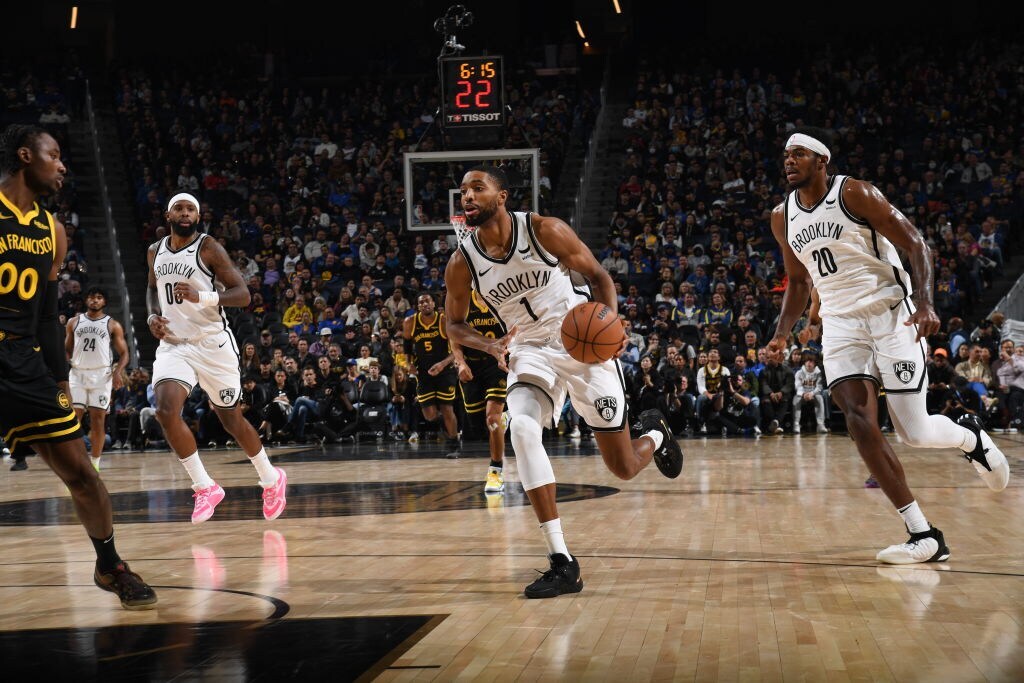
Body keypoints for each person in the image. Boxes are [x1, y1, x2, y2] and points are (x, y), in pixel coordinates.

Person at [767, 129, 1008, 565]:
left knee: (914, 432)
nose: (788, 161)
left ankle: (969, 436)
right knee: (858, 418)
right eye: (785, 155)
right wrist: (783, 331)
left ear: (822, 161)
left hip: (890, 313)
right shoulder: (782, 216)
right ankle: (924, 535)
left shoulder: (854, 193)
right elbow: (799, 281)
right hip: (840, 324)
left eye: (798, 154)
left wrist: (927, 302)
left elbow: (915, 243)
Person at [444, 166, 683, 599]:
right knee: (520, 427)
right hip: (528, 349)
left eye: (478, 188)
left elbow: (599, 278)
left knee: (623, 467)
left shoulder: (544, 230)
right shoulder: (462, 262)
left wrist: (611, 321)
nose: (467, 196)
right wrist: (492, 345)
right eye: (462, 191)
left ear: (502, 196)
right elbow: (454, 325)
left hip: (579, 339)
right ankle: (561, 560)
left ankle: (654, 433)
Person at [0, 123, 156, 608]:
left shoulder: (54, 231)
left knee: (82, 472)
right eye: (55, 154)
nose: (63, 165)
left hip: (23, 362)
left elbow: (48, 314)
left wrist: (58, 379)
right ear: (26, 156)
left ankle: (110, 567)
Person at [147, 192, 287, 525]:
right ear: (168, 215)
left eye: (190, 209)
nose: (185, 213)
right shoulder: (155, 251)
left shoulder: (208, 247)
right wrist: (153, 316)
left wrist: (203, 296)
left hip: (213, 345)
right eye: (179, 208)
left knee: (231, 420)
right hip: (174, 345)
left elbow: (243, 295)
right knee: (165, 410)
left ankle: (270, 478)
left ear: (198, 215)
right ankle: (204, 486)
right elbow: (152, 288)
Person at [450, 289, 508, 493]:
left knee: (492, 419)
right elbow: (454, 337)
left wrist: (509, 351)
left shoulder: (502, 297)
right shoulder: (464, 301)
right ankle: (503, 420)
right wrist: (460, 363)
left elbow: (516, 330)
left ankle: (495, 472)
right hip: (472, 367)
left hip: (497, 365)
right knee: (477, 425)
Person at [65, 286, 129, 470]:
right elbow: (67, 350)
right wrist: (66, 367)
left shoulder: (112, 324)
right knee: (72, 419)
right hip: (77, 373)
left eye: (99, 297)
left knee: (98, 421)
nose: (95, 300)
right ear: (86, 300)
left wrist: (117, 372)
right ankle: (74, 462)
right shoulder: (73, 322)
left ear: (105, 302)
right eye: (92, 297)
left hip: (102, 375)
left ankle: (95, 464)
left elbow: (124, 353)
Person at [403, 292, 460, 456]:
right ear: (417, 306)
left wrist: (442, 364)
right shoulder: (410, 322)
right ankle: (447, 427)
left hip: (445, 370)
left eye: (428, 301)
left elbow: (457, 349)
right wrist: (408, 364)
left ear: (434, 304)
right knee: (430, 415)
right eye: (421, 302)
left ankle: (453, 443)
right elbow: (406, 349)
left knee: (447, 408)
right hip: (423, 372)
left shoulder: (443, 320)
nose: (424, 304)